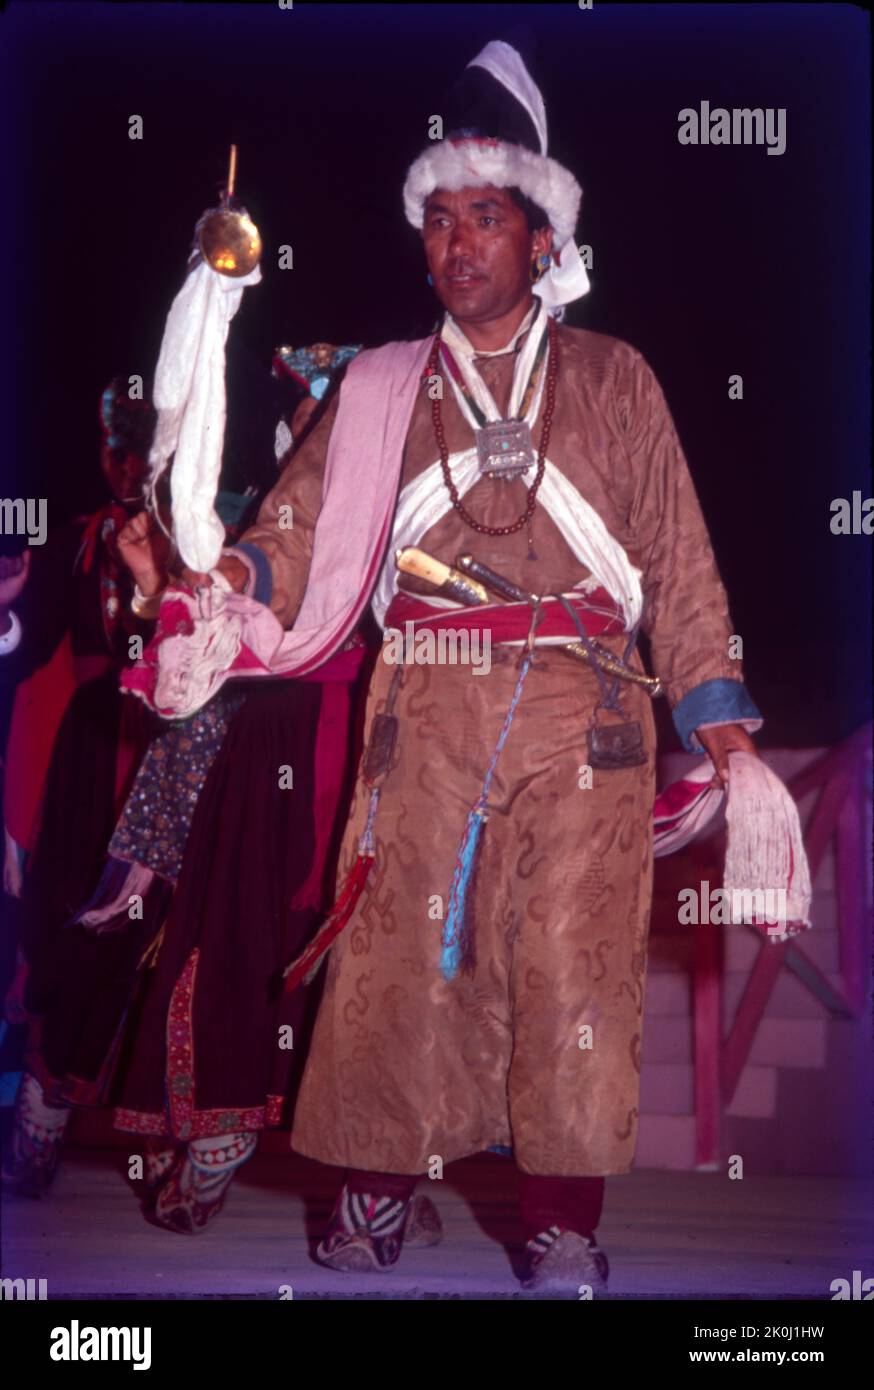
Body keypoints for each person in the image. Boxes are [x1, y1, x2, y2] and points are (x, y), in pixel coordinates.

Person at [122, 41, 763, 1291]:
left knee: (571, 967)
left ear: (539, 236)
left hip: (588, 724)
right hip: (422, 709)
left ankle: (562, 1221)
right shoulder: (374, 390)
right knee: (400, 963)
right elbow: (290, 533)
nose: (459, 243)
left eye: (486, 218)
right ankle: (371, 1197)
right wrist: (234, 582)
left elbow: (680, 566)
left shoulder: (617, 380)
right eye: (440, 221)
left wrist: (726, 728)